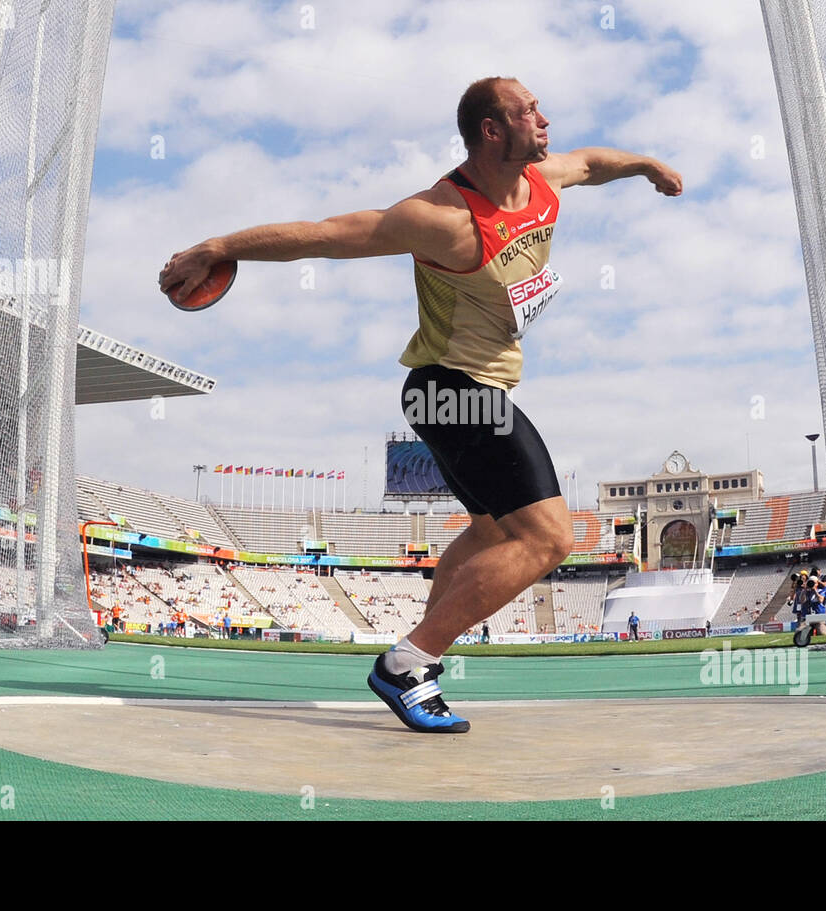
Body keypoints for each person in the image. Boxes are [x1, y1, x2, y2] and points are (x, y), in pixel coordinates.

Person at [160, 77, 682, 733]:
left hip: (472, 389)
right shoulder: (443, 219)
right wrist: (222, 246)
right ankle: (406, 661)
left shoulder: (543, 180)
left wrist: (646, 166)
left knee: (494, 532)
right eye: (528, 111)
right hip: (448, 389)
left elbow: (594, 162)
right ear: (493, 131)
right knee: (551, 536)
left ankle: (420, 668)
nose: (543, 118)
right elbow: (325, 234)